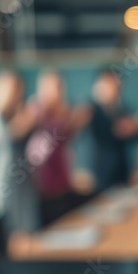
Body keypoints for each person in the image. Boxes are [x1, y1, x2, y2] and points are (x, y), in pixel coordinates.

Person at [0, 70, 40, 255]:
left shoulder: (20, 109)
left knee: (26, 223)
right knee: (6, 223)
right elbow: (3, 138)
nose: (16, 93)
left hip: (23, 173)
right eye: (13, 88)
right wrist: (26, 121)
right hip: (4, 172)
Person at [28, 70, 92, 225]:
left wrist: (75, 122)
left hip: (63, 184)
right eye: (56, 87)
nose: (60, 92)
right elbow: (39, 151)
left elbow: (66, 141)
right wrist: (69, 120)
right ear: (43, 88)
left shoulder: (62, 112)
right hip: (43, 189)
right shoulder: (35, 112)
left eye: (61, 87)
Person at [88, 70, 138, 192]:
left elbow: (136, 134)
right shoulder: (93, 110)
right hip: (103, 173)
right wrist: (125, 128)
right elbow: (109, 132)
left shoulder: (123, 108)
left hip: (123, 169)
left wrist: (137, 127)